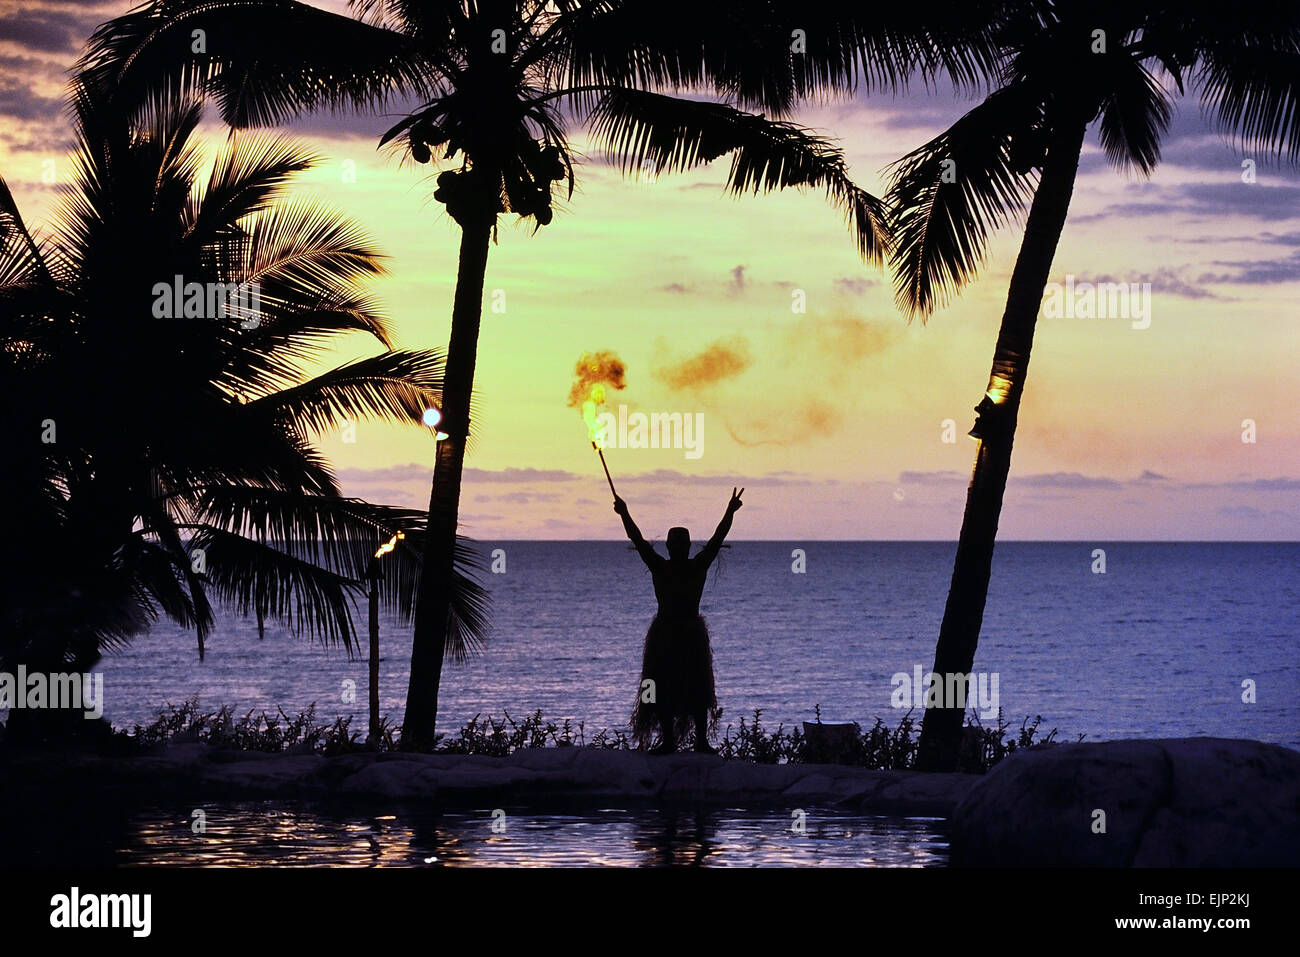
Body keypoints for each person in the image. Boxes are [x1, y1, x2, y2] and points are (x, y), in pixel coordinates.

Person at [614, 487, 743, 754]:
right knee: (660, 686)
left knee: (696, 685)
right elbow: (636, 538)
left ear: (682, 546)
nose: (679, 548)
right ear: (671, 546)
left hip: (681, 634)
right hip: (673, 634)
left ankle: (699, 742)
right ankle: (673, 741)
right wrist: (624, 513)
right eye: (676, 544)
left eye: (681, 544)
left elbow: (718, 537)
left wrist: (730, 512)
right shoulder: (674, 566)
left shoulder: (681, 566)